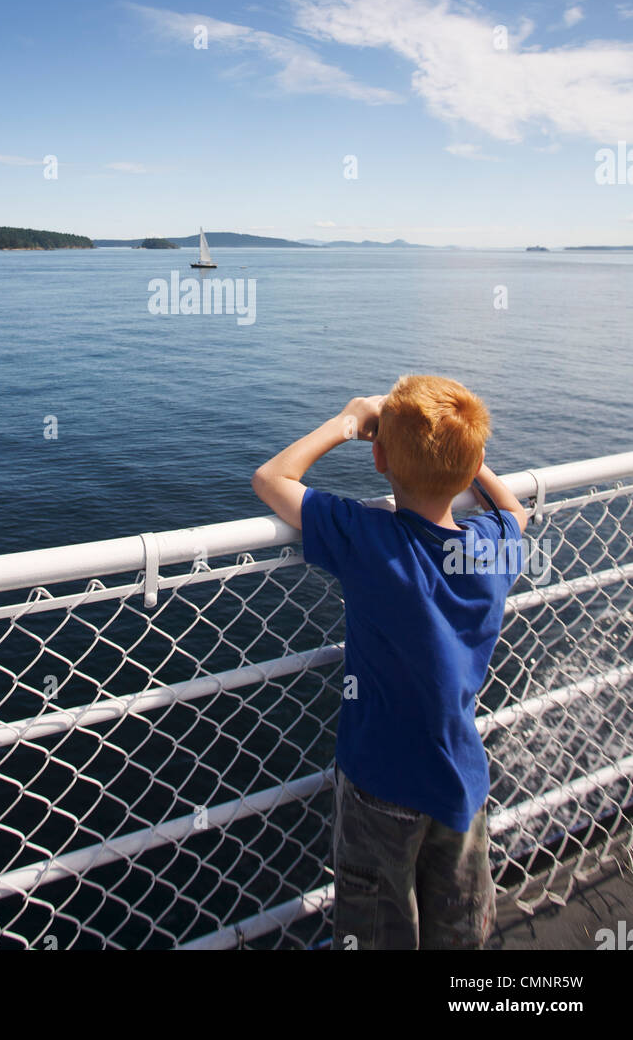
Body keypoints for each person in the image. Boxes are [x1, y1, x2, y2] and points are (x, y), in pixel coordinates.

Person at [251, 375, 529, 950]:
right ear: (473, 461)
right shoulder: (489, 546)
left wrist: (349, 419)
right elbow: (514, 510)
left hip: (378, 782)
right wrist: (466, 459)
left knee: (379, 931)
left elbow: (271, 479)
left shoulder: (368, 539)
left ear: (378, 458)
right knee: (457, 932)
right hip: (460, 781)